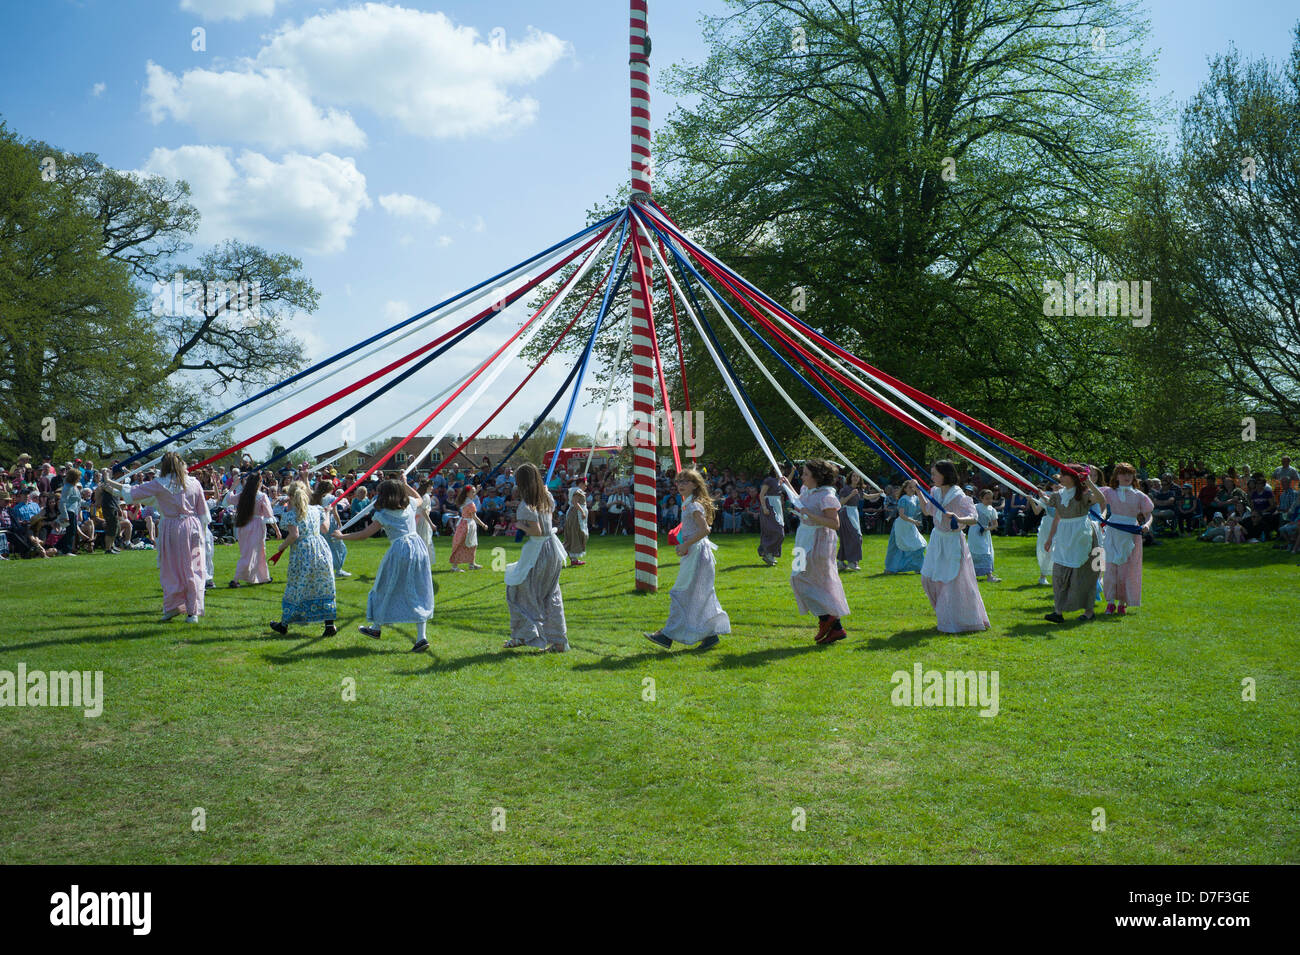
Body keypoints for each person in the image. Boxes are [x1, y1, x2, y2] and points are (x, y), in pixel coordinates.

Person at [103, 452, 208, 623]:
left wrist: (108, 480)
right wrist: (203, 532)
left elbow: (132, 491)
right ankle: (191, 611)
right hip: (193, 527)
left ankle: (176, 606)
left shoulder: (160, 484)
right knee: (193, 567)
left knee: (171, 568)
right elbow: (202, 511)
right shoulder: (194, 483)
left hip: (173, 528)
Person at [335, 479, 435, 652]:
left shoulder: (384, 515)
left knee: (384, 586)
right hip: (418, 548)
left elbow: (364, 534)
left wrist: (341, 536)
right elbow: (418, 497)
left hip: (400, 550)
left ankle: (376, 628)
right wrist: (405, 484)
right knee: (418, 588)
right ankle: (420, 637)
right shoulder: (410, 504)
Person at [645, 468, 729, 650]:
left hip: (698, 555)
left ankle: (667, 635)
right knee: (697, 593)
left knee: (680, 592)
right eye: (679, 482)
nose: (680, 485)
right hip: (696, 554)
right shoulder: (689, 503)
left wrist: (685, 544)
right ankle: (710, 635)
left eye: (685, 482)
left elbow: (705, 529)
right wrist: (683, 542)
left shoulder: (693, 506)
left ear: (695, 485)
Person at [500, 463, 569, 651]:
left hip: (538, 551)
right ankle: (558, 641)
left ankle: (525, 634)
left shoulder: (525, 506)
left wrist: (519, 525)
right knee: (550, 595)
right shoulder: (547, 498)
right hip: (552, 550)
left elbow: (536, 531)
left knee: (517, 592)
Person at [783, 459, 850, 645]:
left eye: (805, 474)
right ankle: (833, 625)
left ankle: (828, 620)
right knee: (797, 577)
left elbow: (834, 524)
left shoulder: (826, 496)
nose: (801, 476)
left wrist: (809, 514)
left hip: (819, 542)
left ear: (817, 477)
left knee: (817, 581)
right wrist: (787, 485)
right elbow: (801, 502)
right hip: (802, 539)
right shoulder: (807, 490)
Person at [917, 461, 990, 633]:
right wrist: (920, 492)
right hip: (937, 540)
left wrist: (958, 518)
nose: (932, 476)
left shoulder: (959, 495)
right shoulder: (934, 491)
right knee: (928, 578)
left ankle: (958, 620)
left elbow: (973, 518)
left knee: (952, 582)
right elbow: (928, 511)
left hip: (953, 541)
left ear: (945, 475)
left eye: (935, 473)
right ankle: (946, 616)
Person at [268, 482, 337, 637]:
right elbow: (325, 529)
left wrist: (281, 547)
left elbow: (294, 535)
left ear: (291, 497)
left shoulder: (291, 515)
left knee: (297, 585)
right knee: (323, 584)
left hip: (302, 553)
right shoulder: (316, 510)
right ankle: (329, 625)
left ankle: (284, 624)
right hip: (321, 550)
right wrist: (327, 513)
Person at [1039, 466, 1106, 623]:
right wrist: (1042, 496)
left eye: (1064, 475)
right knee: (1059, 572)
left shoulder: (1084, 495)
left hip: (1081, 534)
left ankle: (1089, 611)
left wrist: (1088, 482)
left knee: (1084, 574)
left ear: (1074, 477)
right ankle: (1058, 611)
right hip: (1064, 535)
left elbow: (1101, 499)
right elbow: (1051, 504)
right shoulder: (1059, 494)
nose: (1060, 477)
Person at [1098, 463, 1152, 615]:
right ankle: (1110, 603)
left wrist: (1147, 525)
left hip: (1130, 533)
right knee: (1110, 568)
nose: (1127, 477)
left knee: (1126, 570)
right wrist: (1102, 517)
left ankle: (1123, 602)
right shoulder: (1109, 492)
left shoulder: (1139, 496)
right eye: (1122, 473)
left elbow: (1148, 514)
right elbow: (1098, 501)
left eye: (1129, 474)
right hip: (1113, 532)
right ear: (1116, 476)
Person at [229, 471, 277, 587]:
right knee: (252, 553)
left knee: (256, 552)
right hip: (256, 526)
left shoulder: (242, 495)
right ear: (259, 482)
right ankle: (236, 579)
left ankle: (263, 577)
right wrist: (277, 529)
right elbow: (268, 514)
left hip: (243, 525)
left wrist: (232, 488)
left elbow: (229, 500)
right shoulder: (262, 496)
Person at [884, 479, 927, 573]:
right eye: (909, 487)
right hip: (902, 525)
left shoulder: (915, 498)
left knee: (919, 545)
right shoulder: (903, 499)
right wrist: (914, 521)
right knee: (898, 547)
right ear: (905, 489)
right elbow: (902, 515)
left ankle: (918, 567)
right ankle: (891, 568)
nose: (912, 489)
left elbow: (925, 505)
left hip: (910, 524)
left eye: (913, 487)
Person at [313, 480, 350, 578]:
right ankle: (338, 569)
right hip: (330, 523)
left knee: (324, 546)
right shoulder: (332, 498)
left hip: (318, 524)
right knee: (338, 546)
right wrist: (340, 523)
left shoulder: (314, 498)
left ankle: (323, 568)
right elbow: (335, 512)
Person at [448, 484, 486, 571]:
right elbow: (475, 517)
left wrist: (477, 490)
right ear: (467, 493)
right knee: (463, 544)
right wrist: (483, 525)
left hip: (464, 523)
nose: (474, 493)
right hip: (468, 525)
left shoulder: (465, 500)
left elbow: (472, 495)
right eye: (472, 492)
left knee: (473, 544)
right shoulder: (471, 504)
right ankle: (454, 567)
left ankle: (472, 564)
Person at [968, 488, 1002, 582]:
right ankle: (971, 575)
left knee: (986, 552)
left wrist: (987, 529)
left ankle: (989, 576)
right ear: (981, 498)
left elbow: (995, 525)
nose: (989, 500)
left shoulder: (992, 510)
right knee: (974, 551)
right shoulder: (975, 507)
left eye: (991, 498)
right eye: (987, 498)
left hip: (985, 533)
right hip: (974, 532)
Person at [1029, 483, 1057, 585]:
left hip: (1062, 523)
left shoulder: (1064, 494)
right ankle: (1043, 577)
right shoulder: (1046, 495)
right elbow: (1037, 511)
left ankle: (1057, 577)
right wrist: (1032, 501)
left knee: (1059, 550)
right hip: (1049, 524)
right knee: (1049, 550)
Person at [757, 467, 786, 566]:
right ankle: (767, 552)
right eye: (780, 469)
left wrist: (793, 472)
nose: (782, 471)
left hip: (777, 506)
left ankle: (770, 554)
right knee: (776, 530)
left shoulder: (778, 481)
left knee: (777, 531)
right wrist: (764, 507)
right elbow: (761, 494)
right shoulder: (769, 480)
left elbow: (787, 484)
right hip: (770, 505)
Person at [836, 472, 865, 572]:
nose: (855, 478)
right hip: (845, 513)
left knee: (848, 538)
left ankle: (840, 562)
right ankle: (852, 562)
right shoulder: (845, 489)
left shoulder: (860, 490)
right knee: (855, 537)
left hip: (854, 514)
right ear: (850, 477)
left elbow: (867, 496)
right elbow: (840, 503)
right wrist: (851, 495)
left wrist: (879, 493)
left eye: (857, 476)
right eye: (854, 476)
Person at [562, 485, 589, 566]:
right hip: (575, 515)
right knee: (575, 535)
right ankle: (557, 554)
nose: (586, 485)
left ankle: (574, 560)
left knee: (574, 536)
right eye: (585, 483)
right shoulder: (577, 491)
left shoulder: (575, 490)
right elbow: (575, 502)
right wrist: (582, 512)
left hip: (574, 515)